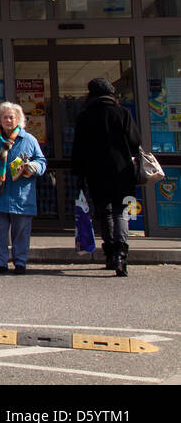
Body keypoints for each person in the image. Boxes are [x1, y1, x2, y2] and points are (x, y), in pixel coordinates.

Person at [70, 77, 140, 277]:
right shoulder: (123, 113)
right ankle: (121, 254)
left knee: (105, 212)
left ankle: (109, 254)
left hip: (95, 172)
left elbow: (78, 149)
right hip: (122, 171)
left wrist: (79, 174)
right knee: (121, 212)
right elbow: (135, 141)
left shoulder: (85, 116)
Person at [0, 101, 46, 274]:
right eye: (5, 117)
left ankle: (20, 262)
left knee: (21, 231)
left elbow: (41, 162)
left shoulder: (29, 140)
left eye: (12, 117)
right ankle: (0, 262)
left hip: (21, 195)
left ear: (19, 120)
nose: (8, 120)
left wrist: (33, 167)